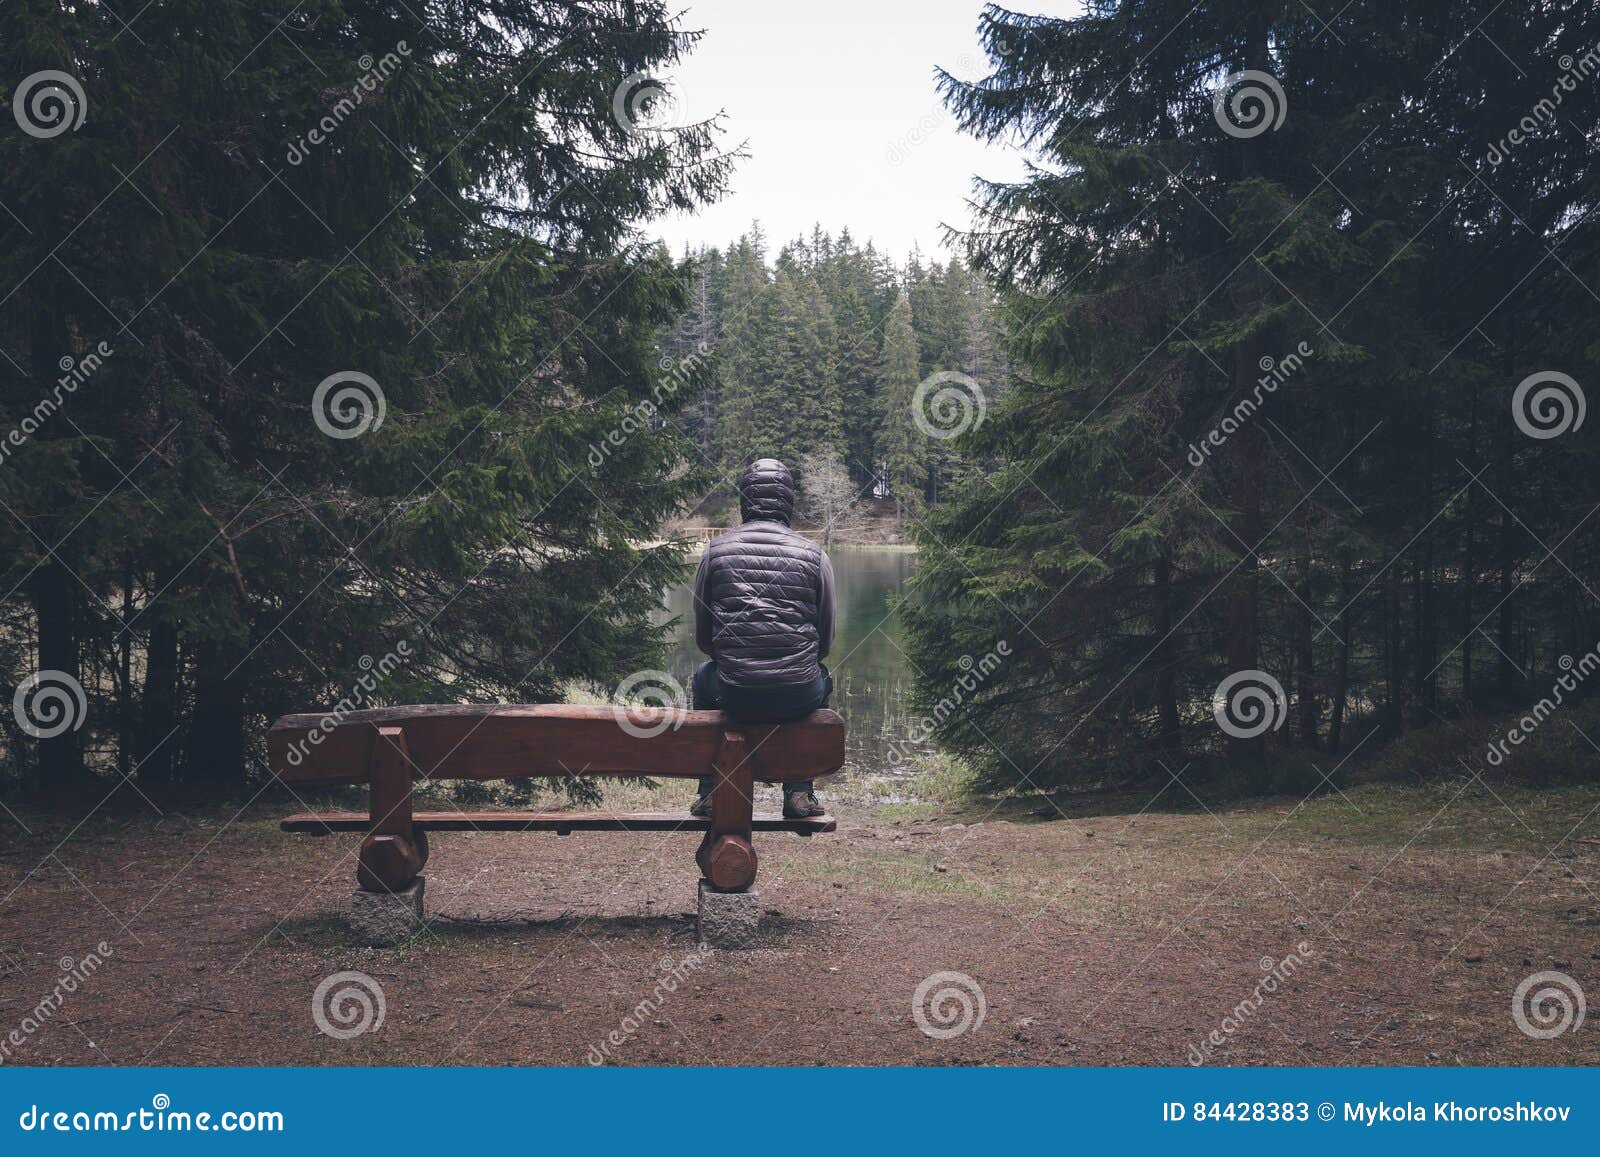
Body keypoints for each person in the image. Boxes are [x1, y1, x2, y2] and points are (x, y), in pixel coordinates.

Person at [689, 458, 835, 819]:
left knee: (702, 679)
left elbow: (704, 637)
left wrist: (736, 661)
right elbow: (825, 640)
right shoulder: (814, 555)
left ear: (745, 501)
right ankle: (799, 792)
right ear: (788, 501)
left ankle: (710, 791)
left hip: (734, 693)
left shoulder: (714, 552)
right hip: (797, 694)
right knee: (823, 677)